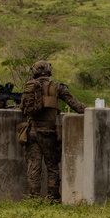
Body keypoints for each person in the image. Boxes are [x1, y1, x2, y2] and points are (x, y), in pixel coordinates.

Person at [19, 60, 86, 201]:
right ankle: (53, 198)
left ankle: (34, 198)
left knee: (33, 167)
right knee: (52, 167)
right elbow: (76, 106)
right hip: (49, 133)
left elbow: (22, 108)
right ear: (49, 71)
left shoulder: (30, 87)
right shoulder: (57, 87)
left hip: (31, 131)